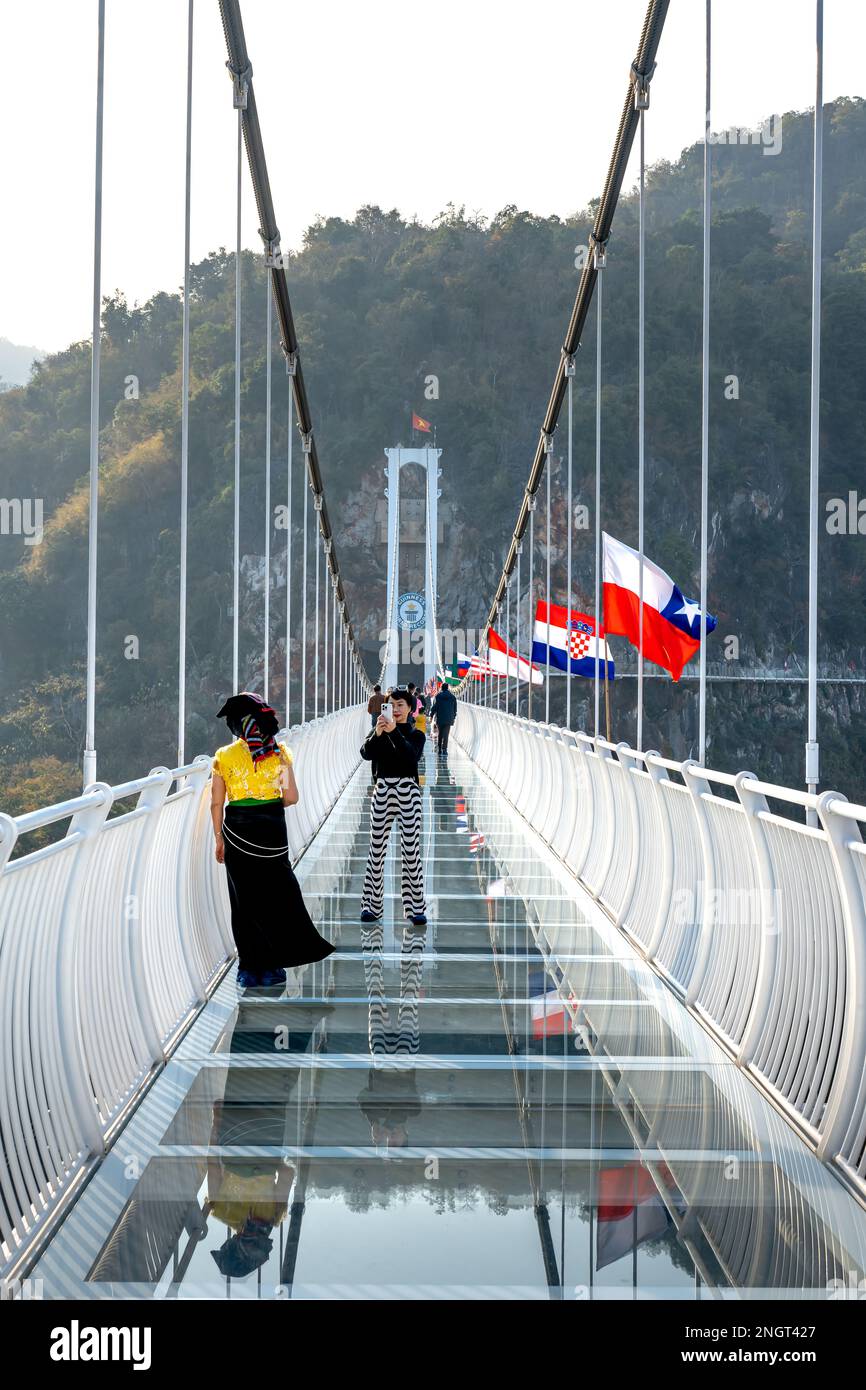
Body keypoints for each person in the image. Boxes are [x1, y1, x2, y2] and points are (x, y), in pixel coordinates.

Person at [211, 691, 335, 988]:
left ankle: (248, 968)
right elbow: (291, 797)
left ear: (235, 727)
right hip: (272, 832)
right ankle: (274, 966)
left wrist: (219, 840)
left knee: (244, 903)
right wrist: (267, 803)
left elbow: (217, 803)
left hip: (238, 832)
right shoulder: (278, 753)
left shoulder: (223, 757)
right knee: (277, 897)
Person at [359, 688, 427, 926]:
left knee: (411, 851)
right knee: (376, 848)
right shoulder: (378, 731)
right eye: (391, 705)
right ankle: (371, 906)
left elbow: (411, 757)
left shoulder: (417, 734)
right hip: (382, 789)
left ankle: (415, 908)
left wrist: (394, 732)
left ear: (410, 709)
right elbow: (365, 754)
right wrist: (377, 733)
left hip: (408, 790)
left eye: (400, 705)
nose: (395, 710)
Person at [431, 681, 457, 757]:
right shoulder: (453, 697)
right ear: (448, 688)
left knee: (440, 733)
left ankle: (439, 749)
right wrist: (453, 716)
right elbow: (455, 709)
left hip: (440, 718)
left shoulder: (438, 696)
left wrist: (431, 715)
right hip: (449, 718)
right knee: (446, 734)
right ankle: (444, 749)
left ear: (441, 688)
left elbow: (435, 707)